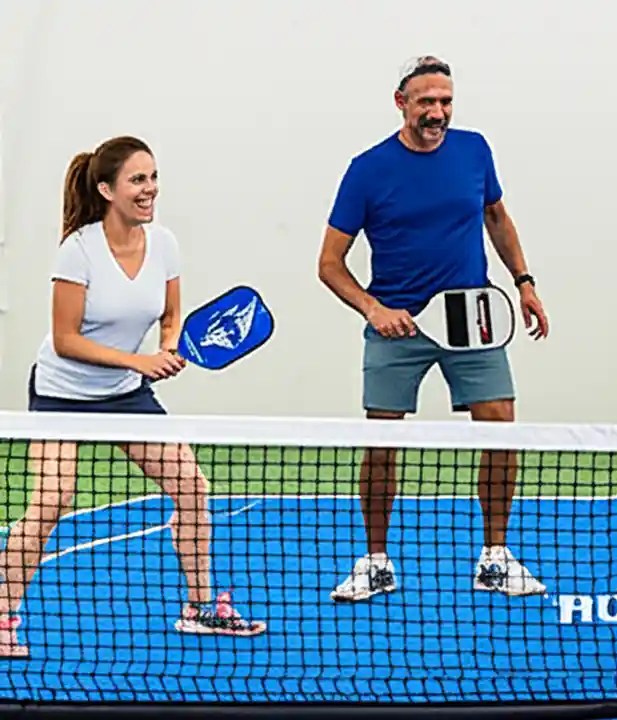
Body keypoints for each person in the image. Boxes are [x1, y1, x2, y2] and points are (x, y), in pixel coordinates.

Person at [0, 136, 265, 659]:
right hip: (61, 394)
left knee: (192, 487)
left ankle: (200, 608)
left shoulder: (163, 243)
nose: (150, 189)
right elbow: (65, 339)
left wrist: (168, 348)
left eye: (153, 177)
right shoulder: (77, 251)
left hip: (124, 395)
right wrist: (139, 362)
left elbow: (171, 317)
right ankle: (2, 617)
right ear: (106, 190)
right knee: (52, 500)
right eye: (137, 180)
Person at [318, 56, 550, 602]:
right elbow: (329, 263)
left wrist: (525, 282)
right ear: (402, 103)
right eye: (427, 101)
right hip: (397, 325)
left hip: (473, 319)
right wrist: (373, 309)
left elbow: (496, 216)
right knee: (381, 443)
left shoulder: (475, 150)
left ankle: (495, 557)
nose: (438, 111)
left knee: (500, 426)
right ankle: (375, 561)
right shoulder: (367, 169)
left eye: (445, 101)